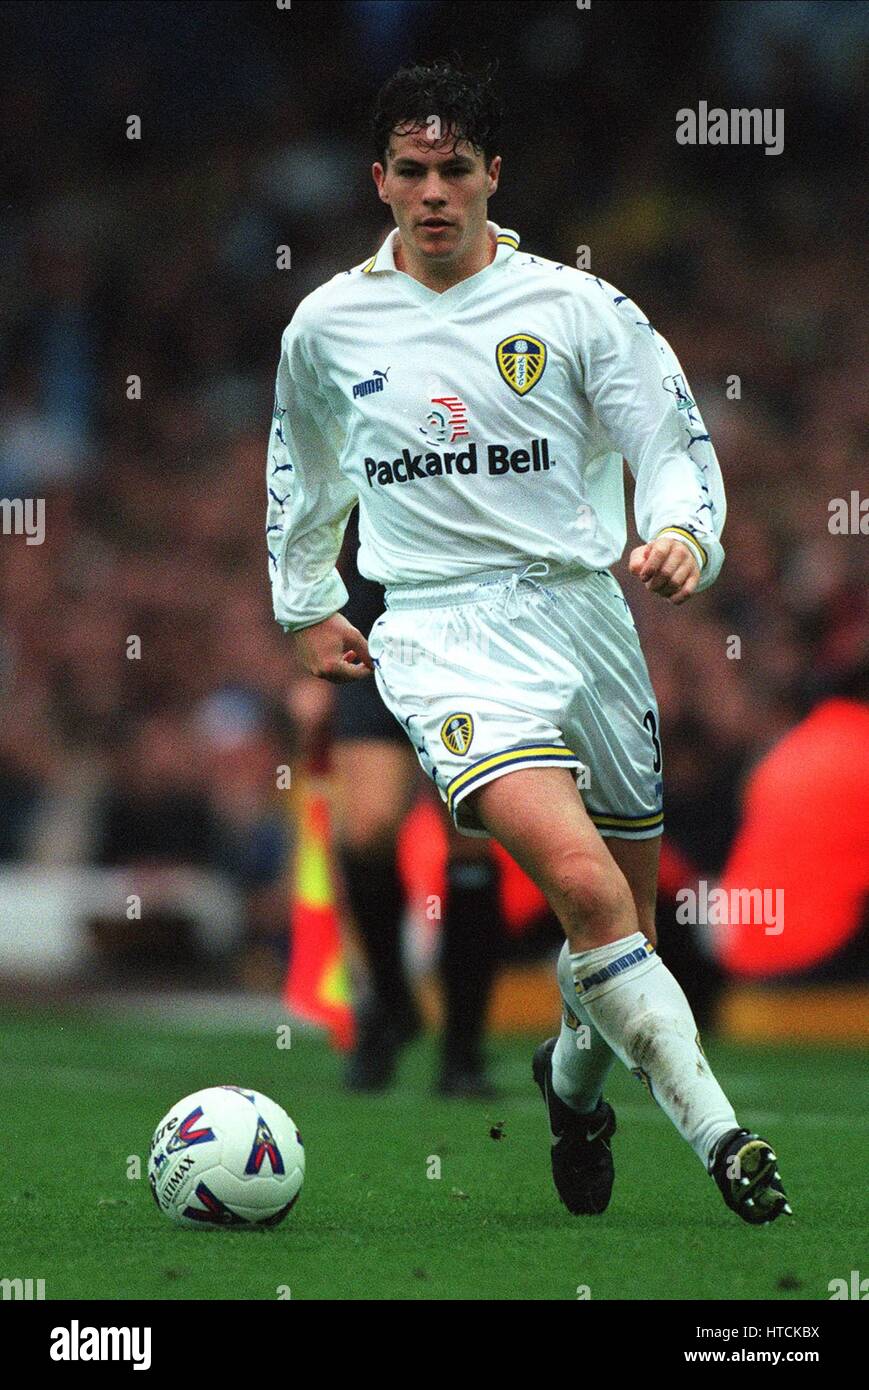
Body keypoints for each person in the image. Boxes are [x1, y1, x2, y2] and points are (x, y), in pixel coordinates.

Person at [266, 57, 790, 1225]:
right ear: (379, 180)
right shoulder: (329, 324)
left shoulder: (575, 308)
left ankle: (568, 1084)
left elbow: (670, 440)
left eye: (456, 168)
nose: (435, 191)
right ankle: (723, 1141)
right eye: (412, 170)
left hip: (581, 615)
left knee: (624, 929)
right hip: (439, 629)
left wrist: (676, 538)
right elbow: (301, 466)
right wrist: (305, 599)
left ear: (493, 174)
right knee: (580, 887)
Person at [331, 506, 507, 1098]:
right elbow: (308, 492)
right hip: (371, 619)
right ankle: (390, 999)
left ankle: (462, 1050)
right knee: (368, 827)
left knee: (470, 833)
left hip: (471, 619)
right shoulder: (351, 407)